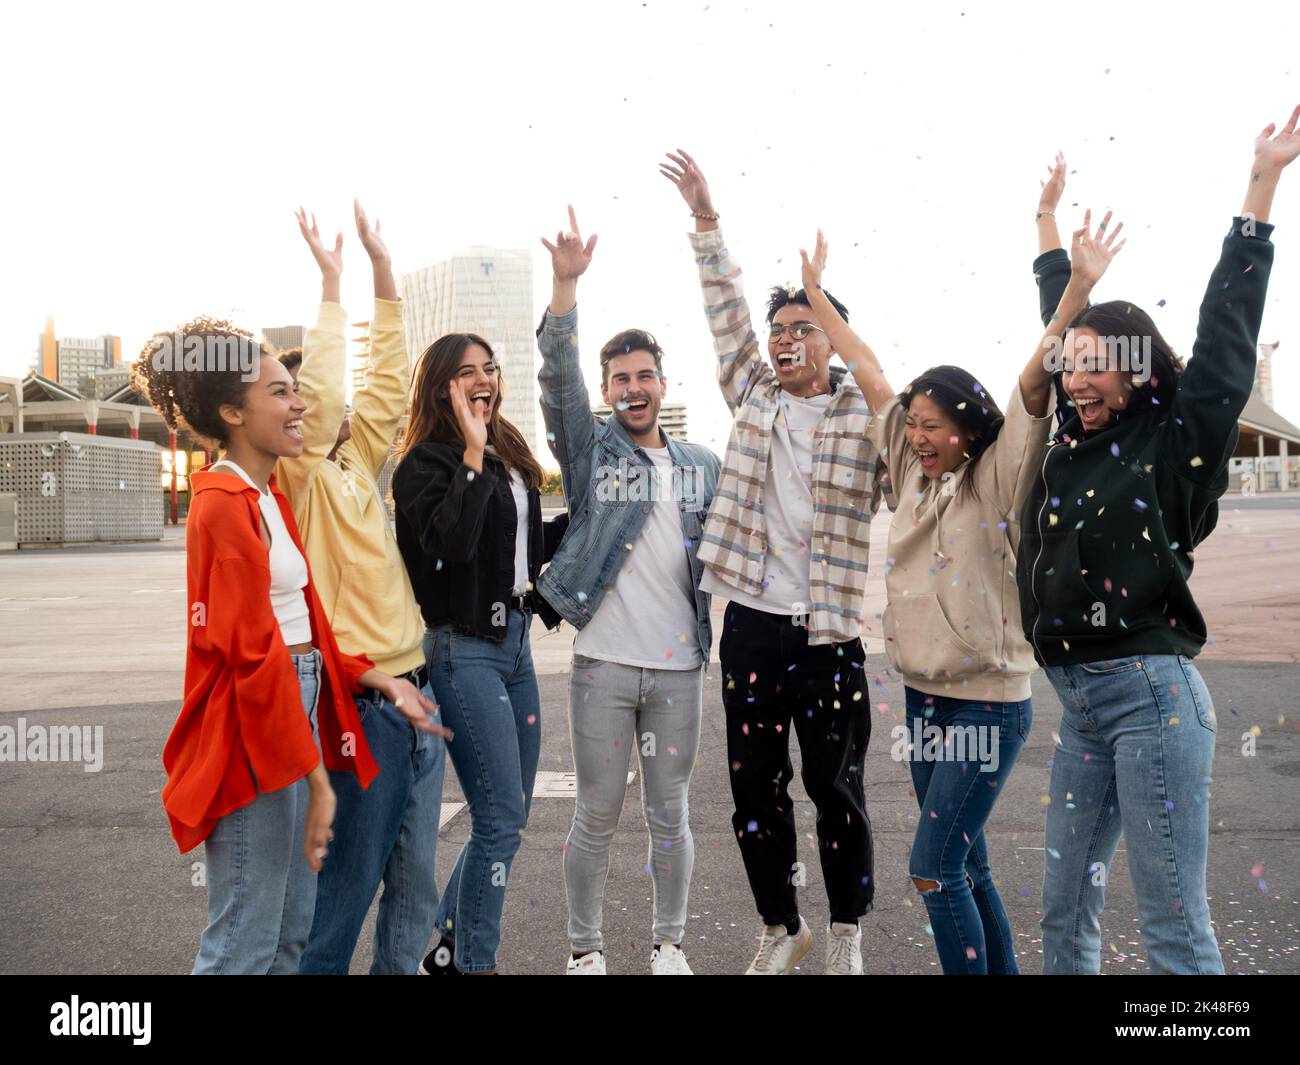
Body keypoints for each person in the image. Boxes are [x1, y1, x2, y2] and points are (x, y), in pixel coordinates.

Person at [795, 204, 1122, 972]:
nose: (919, 437)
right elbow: (871, 368)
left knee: (932, 867)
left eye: (936, 426)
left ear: (969, 429)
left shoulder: (1001, 473)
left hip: (988, 701)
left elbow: (1037, 379)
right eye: (914, 424)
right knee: (964, 861)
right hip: (922, 696)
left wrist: (1075, 286)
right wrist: (818, 301)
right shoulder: (908, 468)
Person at [1021, 107, 1298, 974]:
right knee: (1062, 917)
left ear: (1138, 369)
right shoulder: (1076, 431)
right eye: (1067, 363)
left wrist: (1261, 186)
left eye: (1094, 363)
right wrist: (1048, 234)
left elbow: (1224, 341)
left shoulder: (1176, 442)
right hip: (1082, 706)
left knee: (1174, 928)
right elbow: (1061, 321)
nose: (1074, 376)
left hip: (1152, 697)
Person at [131, 316, 440, 975]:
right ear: (231, 411)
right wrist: (316, 778)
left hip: (295, 704)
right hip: (254, 730)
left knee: (290, 936)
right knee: (242, 940)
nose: (299, 402)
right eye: (279, 392)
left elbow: (304, 629)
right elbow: (250, 654)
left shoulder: (267, 493)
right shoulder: (221, 504)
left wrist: (374, 677)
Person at [660, 149, 877, 975]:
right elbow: (725, 312)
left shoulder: (869, 416)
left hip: (828, 636)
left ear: (834, 335)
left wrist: (825, 304)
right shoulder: (753, 391)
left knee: (837, 790)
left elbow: (887, 394)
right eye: (779, 329)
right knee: (755, 793)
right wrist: (707, 221)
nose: (784, 341)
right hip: (751, 627)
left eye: (802, 327)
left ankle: (848, 928)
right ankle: (781, 926)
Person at [533, 206, 721, 975]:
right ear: (608, 389)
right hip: (604, 665)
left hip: (680, 670)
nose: (633, 388)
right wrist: (566, 286)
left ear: (663, 383)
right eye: (620, 379)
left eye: (645, 376)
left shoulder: (702, 462)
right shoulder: (589, 448)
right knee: (596, 815)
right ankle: (585, 949)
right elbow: (556, 383)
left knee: (669, 815)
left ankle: (668, 944)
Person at [271, 203, 452, 976]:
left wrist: (383, 269)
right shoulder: (303, 472)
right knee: (341, 899)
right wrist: (332, 280)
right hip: (363, 705)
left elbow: (385, 377)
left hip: (420, 690)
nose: (317, 405)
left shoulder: (356, 456)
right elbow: (337, 383)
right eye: (299, 396)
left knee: (412, 892)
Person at [393, 325, 565, 976]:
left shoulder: (507, 446)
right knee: (496, 817)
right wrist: (468, 449)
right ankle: (476, 963)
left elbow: (520, 545)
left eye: (490, 367)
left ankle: (443, 952)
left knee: (508, 816)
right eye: (469, 370)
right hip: (462, 650)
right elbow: (453, 544)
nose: (485, 378)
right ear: (441, 385)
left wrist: (599, 516)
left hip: (516, 645)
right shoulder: (424, 464)